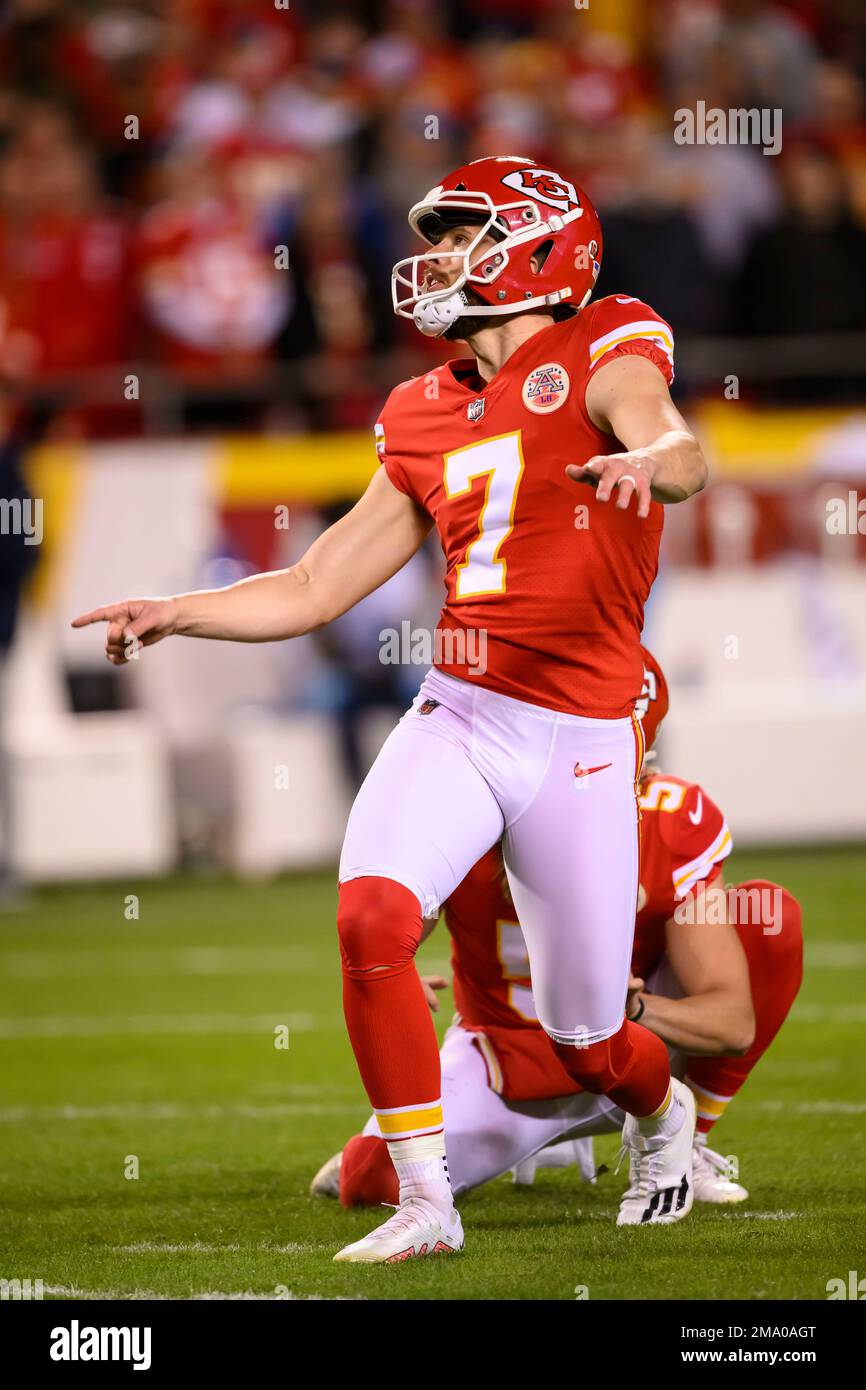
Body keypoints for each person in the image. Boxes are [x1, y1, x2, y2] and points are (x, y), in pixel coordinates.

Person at [72, 156, 708, 1262]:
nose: (441, 261)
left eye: (466, 237)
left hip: (580, 738)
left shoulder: (604, 337)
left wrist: (648, 463)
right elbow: (316, 585)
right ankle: (428, 1202)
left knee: (589, 1038)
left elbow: (672, 440)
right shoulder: (418, 410)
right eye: (442, 240)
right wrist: (180, 609)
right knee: (369, 916)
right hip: (463, 708)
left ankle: (664, 1118)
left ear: (541, 244)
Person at [311, 649, 803, 1209]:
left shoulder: (671, 821)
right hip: (507, 1066)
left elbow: (731, 1021)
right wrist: (389, 969)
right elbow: (381, 924)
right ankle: (513, 1140)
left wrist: (636, 1012)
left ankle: (684, 1138)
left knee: (768, 915)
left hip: (628, 1058)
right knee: (371, 1182)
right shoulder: (462, 805)